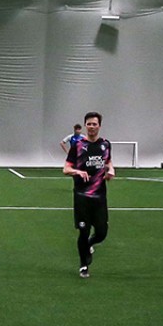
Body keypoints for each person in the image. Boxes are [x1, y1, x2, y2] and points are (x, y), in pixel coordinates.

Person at [63, 111, 114, 278]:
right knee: (83, 232)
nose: (92, 127)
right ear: (85, 125)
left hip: (100, 197)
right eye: (89, 124)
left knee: (101, 233)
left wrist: (111, 171)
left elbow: (108, 162)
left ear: (99, 126)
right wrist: (78, 171)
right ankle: (83, 265)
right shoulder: (78, 146)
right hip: (82, 196)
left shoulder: (105, 144)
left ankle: (90, 244)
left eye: (95, 124)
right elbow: (66, 169)